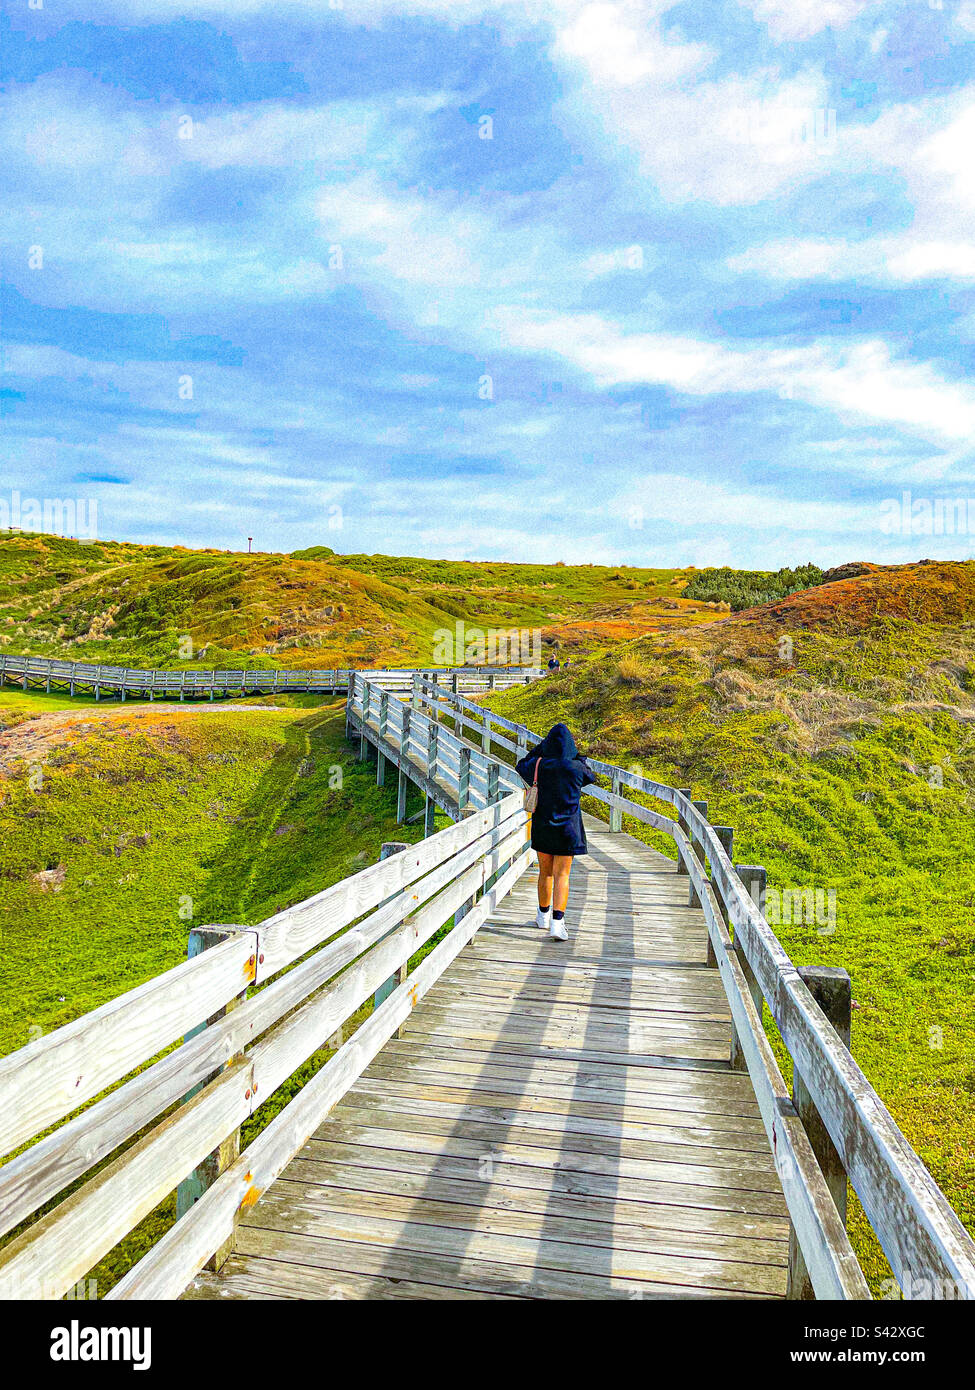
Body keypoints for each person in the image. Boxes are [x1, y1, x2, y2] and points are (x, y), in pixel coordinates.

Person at [516, 723, 596, 940]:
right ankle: (557, 923)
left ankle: (542, 915)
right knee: (562, 875)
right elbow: (591, 775)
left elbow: (521, 764)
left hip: (543, 825)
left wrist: (541, 749)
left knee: (545, 872)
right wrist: (576, 755)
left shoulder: (539, 765)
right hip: (568, 829)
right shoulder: (576, 768)